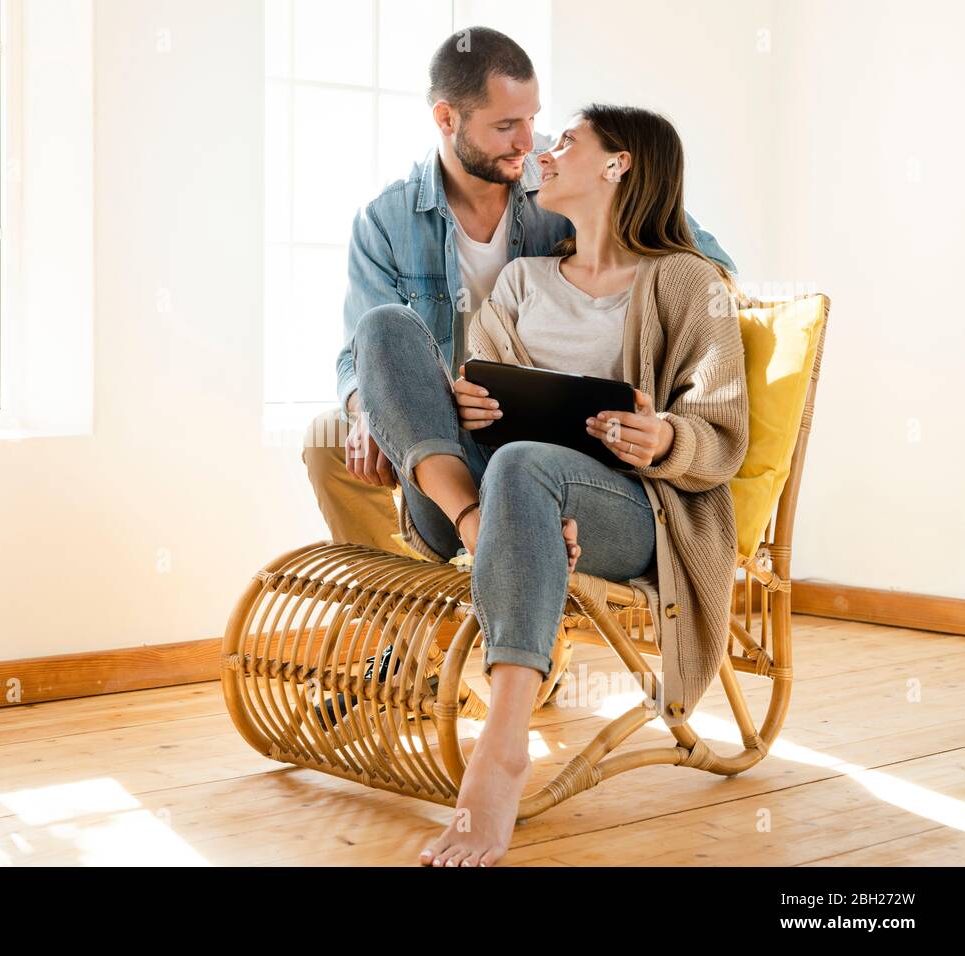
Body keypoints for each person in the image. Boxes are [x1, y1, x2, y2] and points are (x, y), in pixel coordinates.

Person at [350, 103, 750, 867]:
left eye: (566, 139)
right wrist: (468, 400)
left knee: (521, 465)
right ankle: (479, 524)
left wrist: (665, 434)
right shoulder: (522, 281)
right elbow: (482, 391)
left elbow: (722, 428)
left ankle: (500, 756)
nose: (543, 151)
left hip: (626, 508)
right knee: (385, 329)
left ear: (618, 164)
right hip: (477, 496)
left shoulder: (689, 283)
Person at [302, 26, 735, 560]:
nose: (529, 144)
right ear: (446, 119)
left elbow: (684, 245)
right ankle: (417, 616)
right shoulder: (386, 220)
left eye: (532, 119)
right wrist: (370, 409)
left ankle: (489, 553)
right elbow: (358, 353)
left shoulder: (564, 178)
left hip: (548, 420)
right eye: (506, 126)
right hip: (436, 409)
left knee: (525, 463)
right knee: (327, 440)